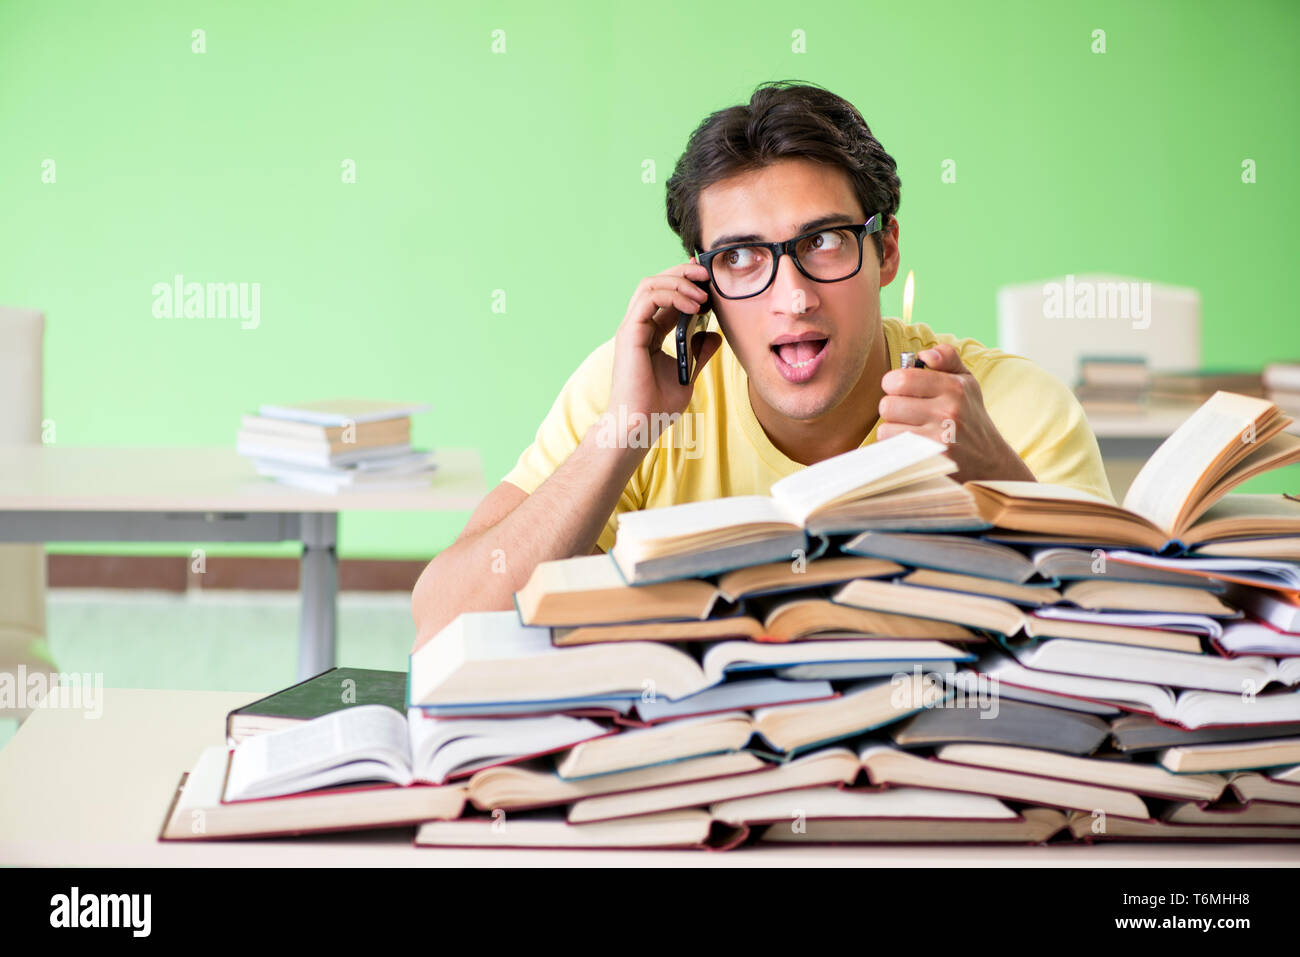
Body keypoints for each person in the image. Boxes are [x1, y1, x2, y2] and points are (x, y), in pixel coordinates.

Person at [411, 81, 1111, 647]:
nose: (793, 297)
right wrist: (622, 432)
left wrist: (999, 482)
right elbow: (440, 622)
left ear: (885, 250)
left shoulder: (1011, 408)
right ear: (701, 284)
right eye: (741, 257)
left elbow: (1119, 656)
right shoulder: (635, 388)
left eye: (827, 241)